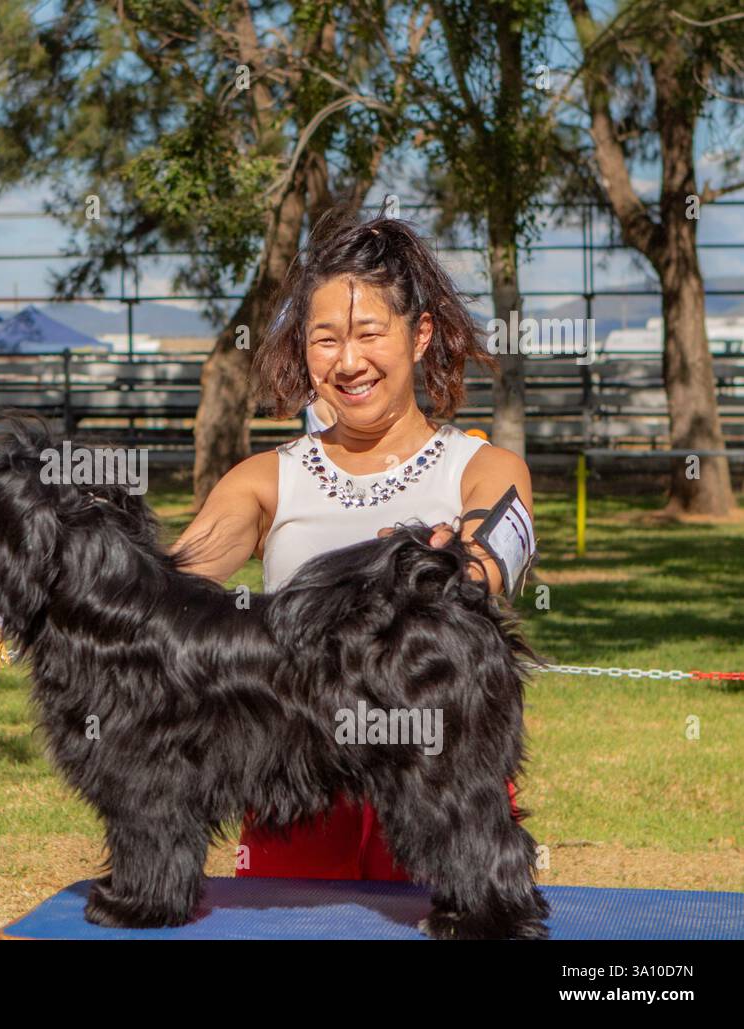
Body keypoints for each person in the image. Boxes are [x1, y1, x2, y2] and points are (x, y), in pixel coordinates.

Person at [173, 213, 534, 881]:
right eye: (325, 339)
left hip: (438, 780)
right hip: (300, 794)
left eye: (369, 333)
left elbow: (496, 550)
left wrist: (460, 563)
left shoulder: (483, 465)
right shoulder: (262, 479)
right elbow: (167, 594)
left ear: (419, 334)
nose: (347, 361)